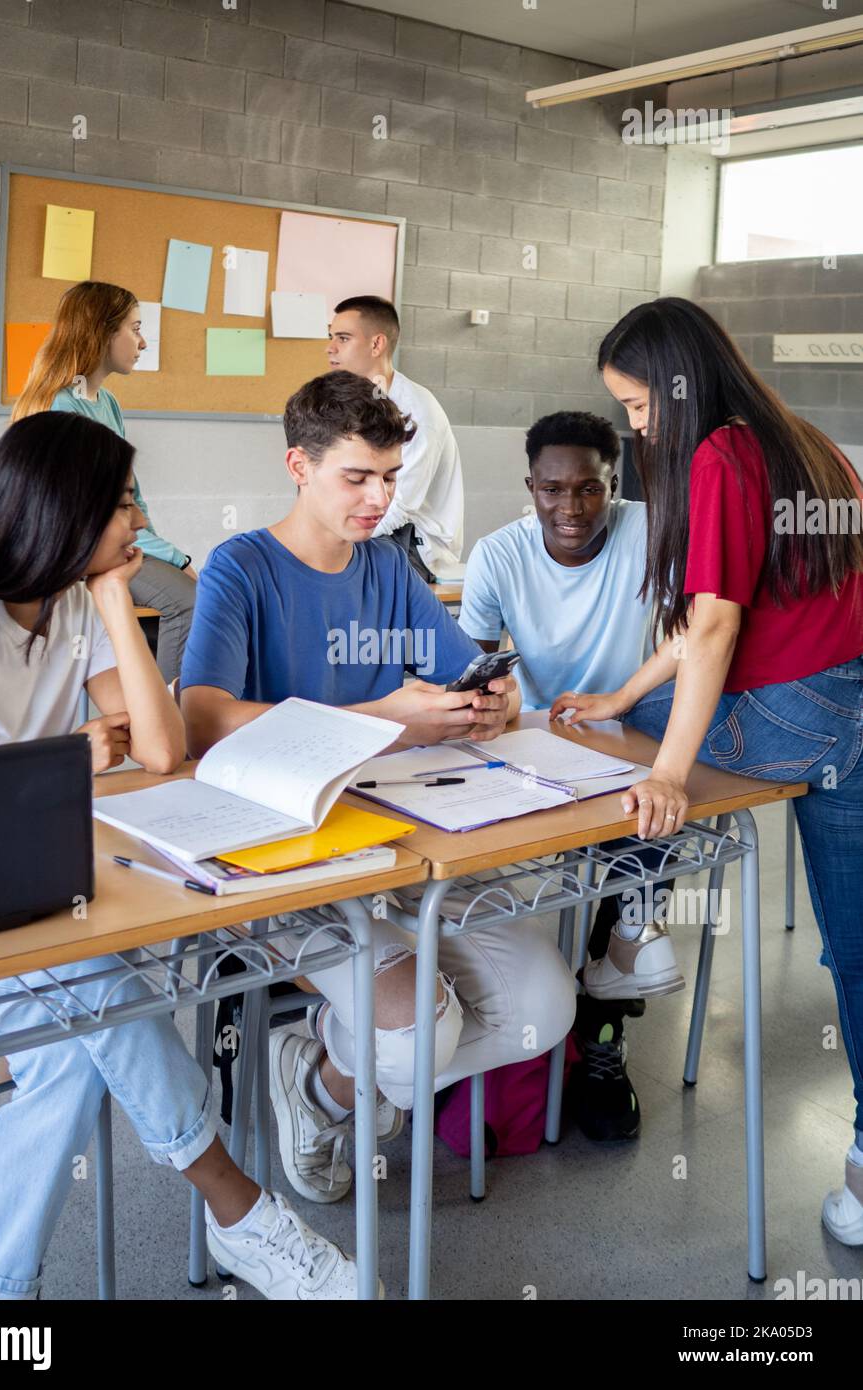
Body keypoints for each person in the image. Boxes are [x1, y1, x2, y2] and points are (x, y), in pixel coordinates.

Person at [0, 412, 366, 1299]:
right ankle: (244, 1217)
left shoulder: (70, 604)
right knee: (101, 996)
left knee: (72, 1049)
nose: (136, 522)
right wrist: (54, 767)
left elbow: (160, 751)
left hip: (24, 895)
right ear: (63, 511)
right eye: (122, 505)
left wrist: (114, 601)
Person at [180, 370, 576, 1205]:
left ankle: (334, 1071)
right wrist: (384, 717)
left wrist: (488, 698)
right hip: (279, 855)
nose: (378, 498)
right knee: (415, 1038)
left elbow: (453, 674)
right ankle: (337, 1078)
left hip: (398, 838)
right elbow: (204, 719)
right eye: (356, 477)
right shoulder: (240, 566)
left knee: (544, 1002)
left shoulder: (387, 571)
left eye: (391, 477)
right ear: (299, 465)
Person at [550, 296, 863, 1245]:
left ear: (677, 389)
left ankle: (626, 930)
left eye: (639, 408)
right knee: (854, 949)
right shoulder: (803, 441)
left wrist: (669, 775)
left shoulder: (721, 455)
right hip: (852, 707)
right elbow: (704, 622)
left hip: (796, 711)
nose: (635, 427)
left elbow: (715, 625)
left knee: (631, 753)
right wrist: (622, 694)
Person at [460, 410, 655, 1141]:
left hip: (638, 731)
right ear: (528, 486)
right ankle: (509, 1021)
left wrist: (627, 703)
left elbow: (705, 631)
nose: (569, 510)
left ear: (614, 485)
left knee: (647, 836)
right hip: (538, 747)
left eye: (588, 490)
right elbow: (468, 673)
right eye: (550, 490)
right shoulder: (498, 555)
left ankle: (603, 1030)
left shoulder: (651, 529)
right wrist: (490, 704)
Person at [12, 281, 196, 684]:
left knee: (190, 586)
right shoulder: (62, 404)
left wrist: (164, 551)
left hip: (110, 542)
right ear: (102, 331)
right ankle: (175, 719)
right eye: (135, 328)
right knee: (189, 602)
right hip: (73, 552)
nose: (143, 342)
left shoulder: (107, 403)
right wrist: (175, 559)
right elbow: (92, 508)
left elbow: (132, 495)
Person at [327, 295, 464, 581]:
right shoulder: (355, 403)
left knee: (333, 569)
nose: (331, 348)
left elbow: (399, 507)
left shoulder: (417, 412)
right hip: (371, 526)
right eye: (331, 337)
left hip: (413, 544)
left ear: (377, 344)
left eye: (343, 338)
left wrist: (336, 540)